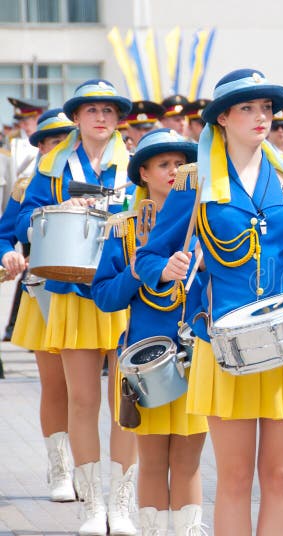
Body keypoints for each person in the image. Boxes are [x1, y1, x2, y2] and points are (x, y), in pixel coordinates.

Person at [134, 68, 283, 535]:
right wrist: (167, 268)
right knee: (234, 479)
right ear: (222, 120)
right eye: (247, 109)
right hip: (224, 346)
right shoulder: (194, 183)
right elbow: (149, 256)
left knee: (280, 476)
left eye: (266, 109)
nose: (261, 118)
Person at [15, 79, 138, 536]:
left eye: (108, 110)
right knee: (83, 402)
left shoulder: (136, 164)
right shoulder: (52, 166)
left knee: (126, 400)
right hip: (70, 292)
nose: (101, 118)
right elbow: (25, 219)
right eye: (91, 111)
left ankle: (122, 504)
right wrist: (62, 206)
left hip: (125, 292)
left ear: (118, 118)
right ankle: (92, 505)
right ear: (78, 118)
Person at [92, 128, 208, 534]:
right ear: (142, 172)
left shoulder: (206, 219)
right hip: (145, 359)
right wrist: (142, 270)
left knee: (190, 460)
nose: (174, 171)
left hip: (195, 355)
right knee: (154, 460)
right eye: (163, 164)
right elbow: (104, 296)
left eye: (181, 163)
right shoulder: (122, 228)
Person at [1, 108, 75, 502]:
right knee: (56, 385)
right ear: (41, 146)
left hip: (92, 296)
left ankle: (91, 468)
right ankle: (60, 466)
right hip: (42, 291)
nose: (60, 148)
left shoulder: (97, 181)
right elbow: (2, 234)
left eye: (67, 139)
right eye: (52, 141)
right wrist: (8, 257)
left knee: (88, 391)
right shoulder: (28, 185)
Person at [1, 97, 48, 342]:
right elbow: (6, 231)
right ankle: (12, 326)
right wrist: (9, 254)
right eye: (53, 143)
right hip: (30, 236)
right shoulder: (15, 151)